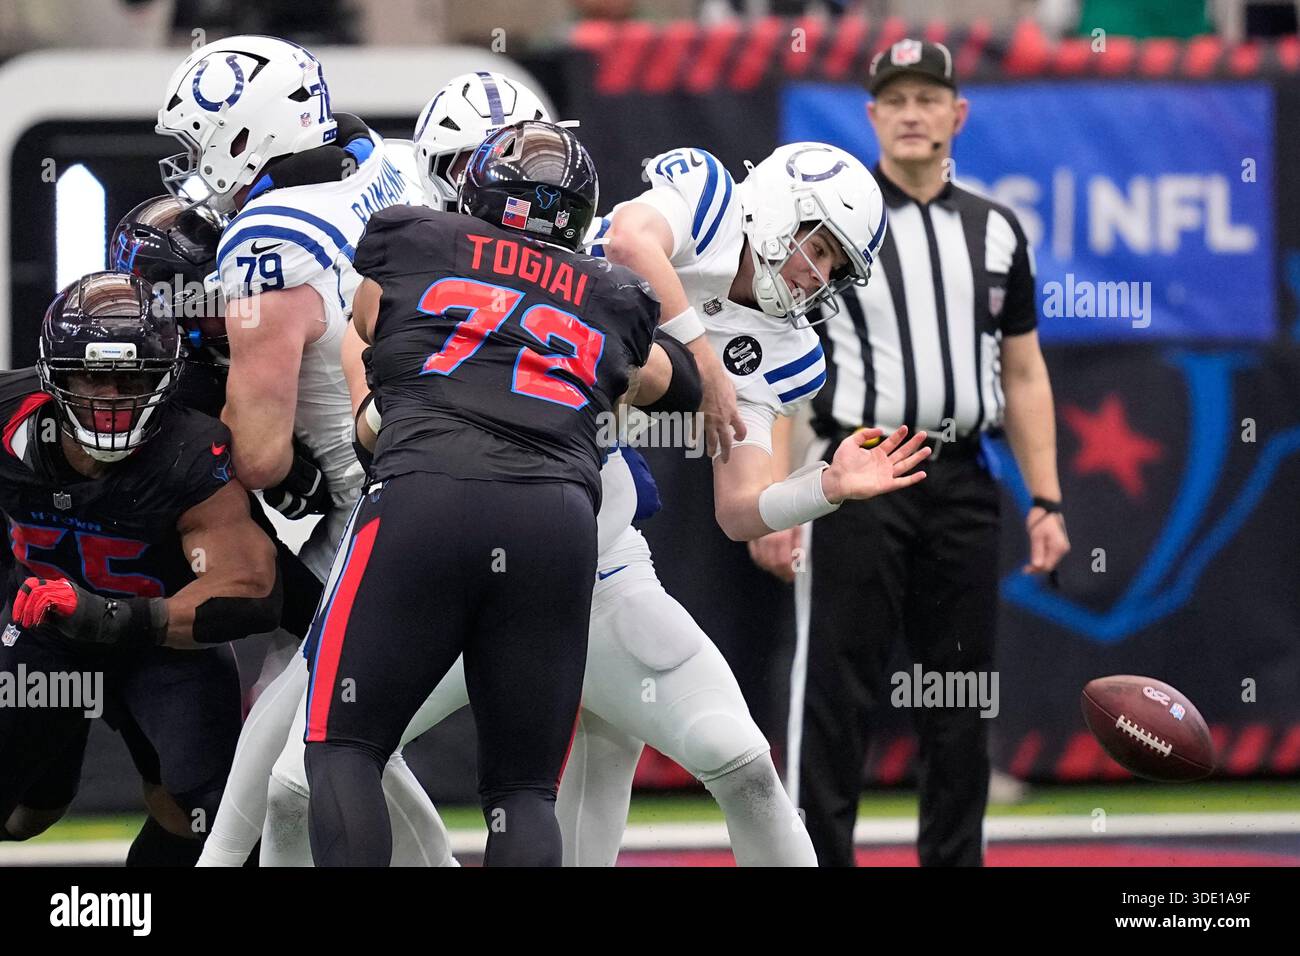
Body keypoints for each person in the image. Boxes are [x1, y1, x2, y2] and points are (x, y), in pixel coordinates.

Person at [303, 119, 659, 867]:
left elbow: (370, 326)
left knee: (345, 747)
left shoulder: (415, 237)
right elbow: (640, 386)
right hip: (556, 515)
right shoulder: (617, 294)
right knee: (523, 791)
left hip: (426, 490)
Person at [762, 39, 1071, 866]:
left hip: (962, 474)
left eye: (927, 98)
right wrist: (786, 493)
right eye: (893, 99)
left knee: (960, 699)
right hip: (858, 473)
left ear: (957, 115)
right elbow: (785, 360)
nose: (910, 112)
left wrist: (1047, 500)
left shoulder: (998, 230)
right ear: (870, 117)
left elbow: (1025, 369)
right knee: (834, 692)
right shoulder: (832, 228)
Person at [153, 34, 447, 868]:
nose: (190, 162)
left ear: (245, 136)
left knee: (290, 750)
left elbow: (259, 455)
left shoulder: (270, 241)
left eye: (198, 141)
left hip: (368, 510)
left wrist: (203, 373)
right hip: (429, 464)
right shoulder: (384, 159)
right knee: (326, 721)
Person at [0, 272, 281, 864]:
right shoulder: (7, 417)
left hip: (161, 646)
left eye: (131, 378)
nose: (109, 398)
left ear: (168, 379)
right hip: (44, 640)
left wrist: (107, 618)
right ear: (54, 375)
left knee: (202, 810)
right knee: (25, 814)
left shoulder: (188, 449)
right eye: (92, 376)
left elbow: (251, 588)